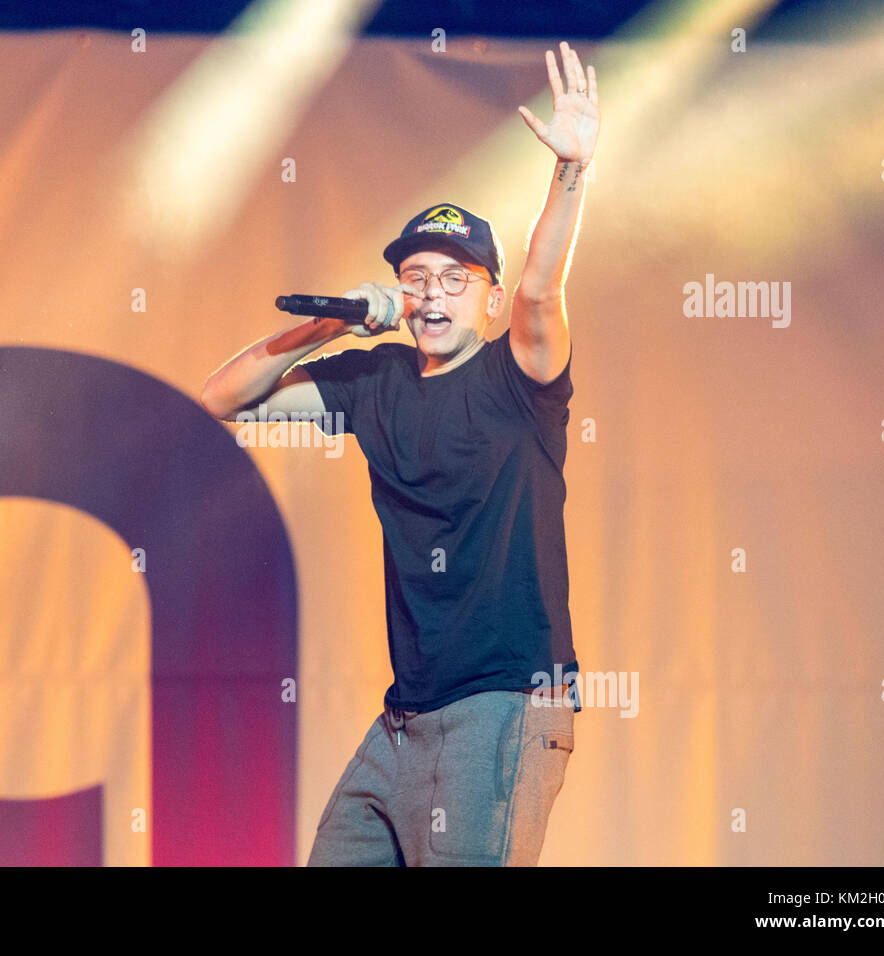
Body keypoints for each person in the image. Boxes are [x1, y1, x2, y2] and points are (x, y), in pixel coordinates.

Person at [200, 42, 600, 866]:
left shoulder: (516, 375)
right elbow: (221, 401)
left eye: (456, 279)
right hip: (405, 718)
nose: (432, 294)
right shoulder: (374, 378)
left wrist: (568, 174)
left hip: (505, 702)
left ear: (487, 300)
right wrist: (338, 320)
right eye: (418, 278)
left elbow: (540, 288)